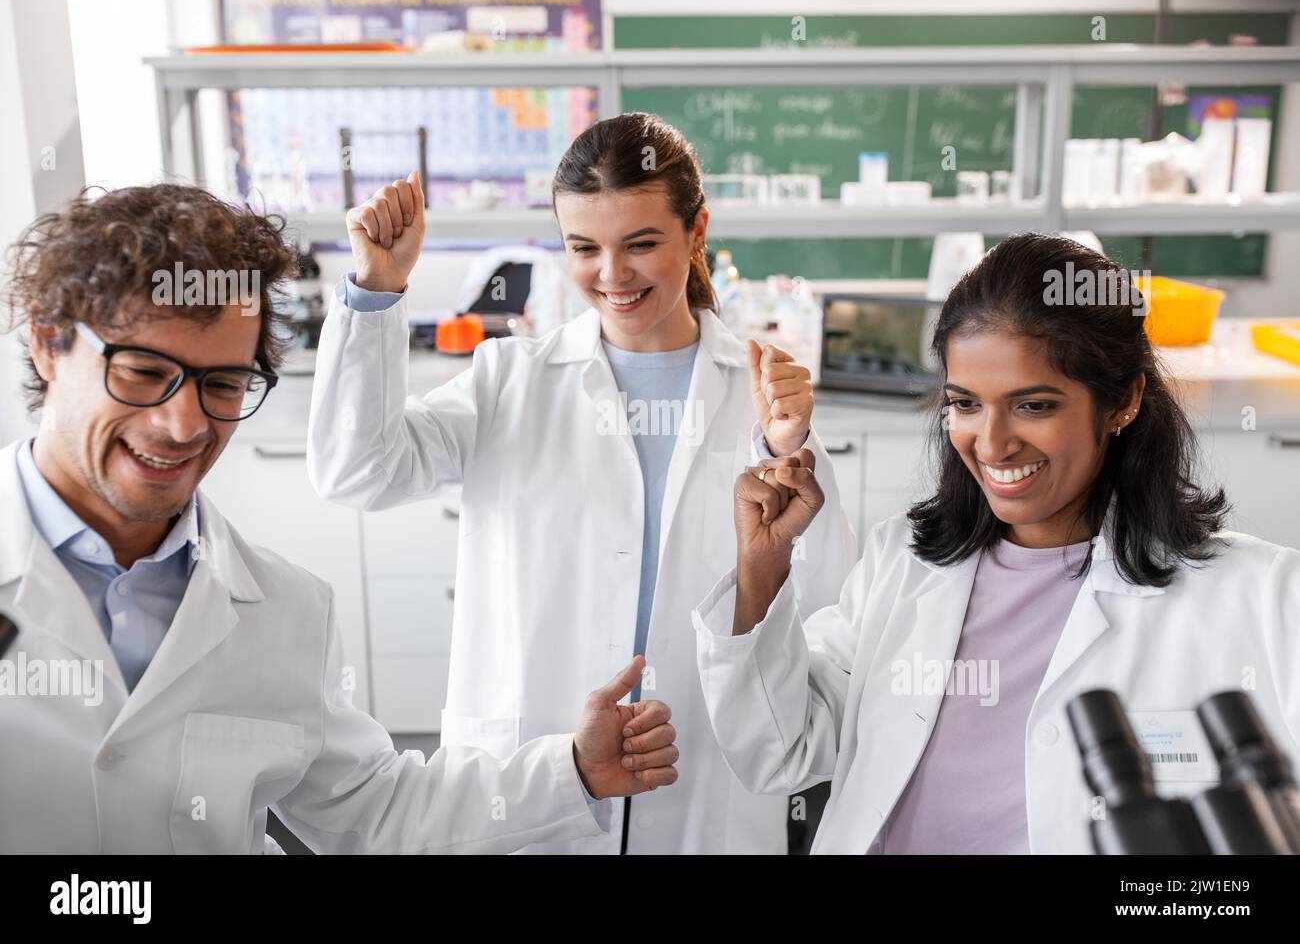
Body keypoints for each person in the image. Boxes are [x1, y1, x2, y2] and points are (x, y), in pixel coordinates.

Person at [0, 184, 677, 854]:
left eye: (223, 384)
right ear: (48, 343)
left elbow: (372, 810)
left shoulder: (283, 612)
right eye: (143, 372)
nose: (182, 425)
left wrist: (574, 774)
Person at [307, 112, 857, 853]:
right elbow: (358, 470)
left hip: (706, 789)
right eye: (583, 248)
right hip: (530, 788)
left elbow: (828, 608)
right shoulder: (511, 380)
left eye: (641, 244)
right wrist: (377, 288)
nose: (612, 274)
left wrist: (785, 450)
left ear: (696, 232)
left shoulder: (763, 402)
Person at [693, 233, 1300, 854]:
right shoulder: (902, 563)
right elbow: (781, 751)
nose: (992, 443)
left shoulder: (1265, 597)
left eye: (1033, 405)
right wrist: (761, 568)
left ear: (1123, 402)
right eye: (966, 405)